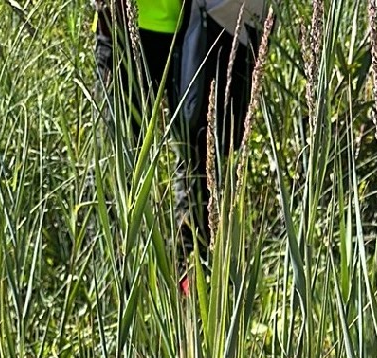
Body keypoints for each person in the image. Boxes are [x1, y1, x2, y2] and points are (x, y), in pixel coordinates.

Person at [96, 0, 264, 253]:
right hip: (125, 24)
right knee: (116, 166)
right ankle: (114, 276)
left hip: (206, 23)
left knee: (200, 163)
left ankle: (192, 277)